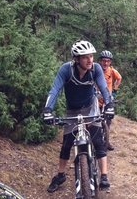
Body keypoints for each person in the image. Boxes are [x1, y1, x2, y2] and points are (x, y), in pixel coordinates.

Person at [42, 40, 115, 193]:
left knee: (97, 141)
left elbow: (103, 87)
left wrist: (109, 105)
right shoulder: (66, 70)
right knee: (67, 144)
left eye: (91, 56)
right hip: (73, 110)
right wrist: (48, 109)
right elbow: (54, 90)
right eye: (85, 57)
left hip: (91, 108)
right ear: (76, 59)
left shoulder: (95, 69)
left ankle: (104, 176)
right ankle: (61, 175)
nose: (90, 60)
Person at [98, 50, 122, 150]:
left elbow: (119, 78)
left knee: (108, 120)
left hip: (108, 98)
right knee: (95, 119)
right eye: (104, 61)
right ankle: (95, 139)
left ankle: (106, 141)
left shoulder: (112, 71)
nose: (106, 63)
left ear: (110, 62)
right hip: (98, 98)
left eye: (108, 61)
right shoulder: (96, 69)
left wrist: (115, 90)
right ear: (100, 61)